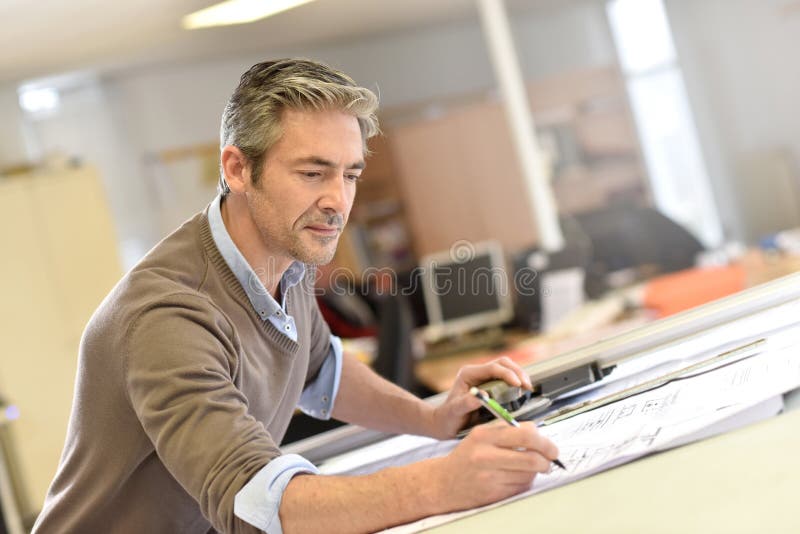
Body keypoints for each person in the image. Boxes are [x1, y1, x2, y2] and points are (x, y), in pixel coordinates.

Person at [32, 58, 559, 534]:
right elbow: (262, 507)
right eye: (313, 173)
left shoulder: (285, 256)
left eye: (349, 174)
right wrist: (443, 483)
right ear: (237, 169)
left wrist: (433, 417)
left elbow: (322, 368)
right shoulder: (169, 317)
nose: (337, 201)